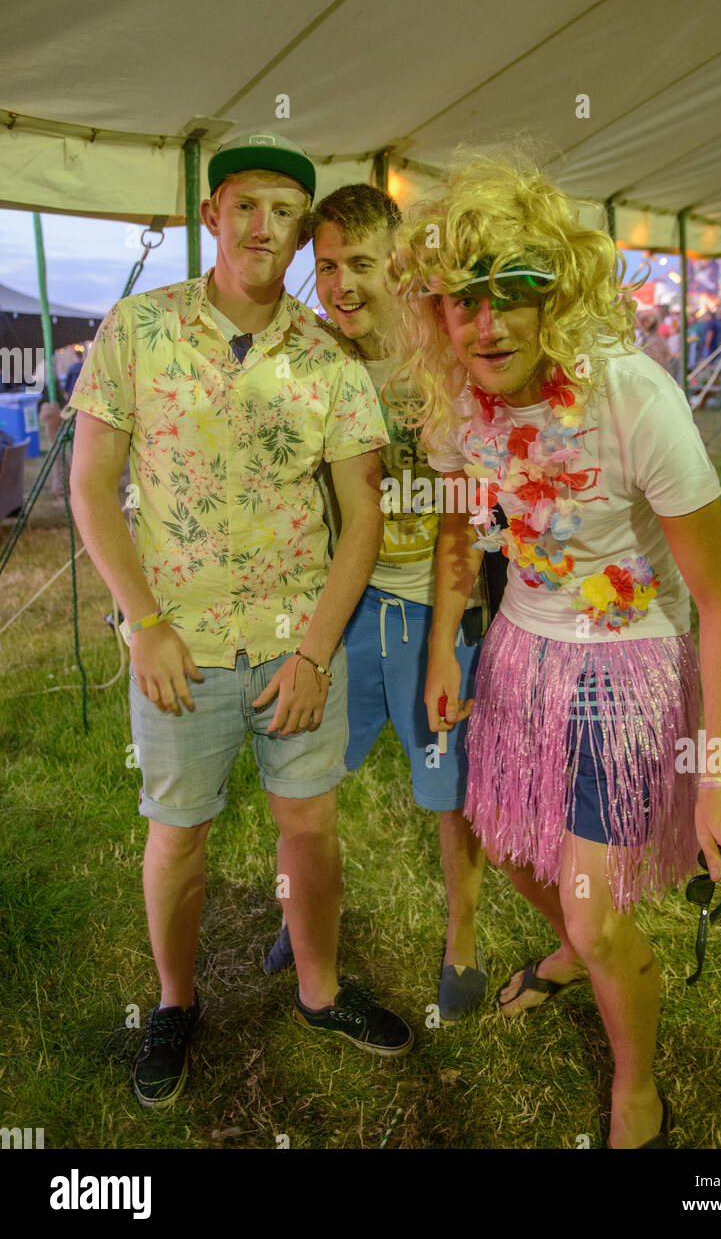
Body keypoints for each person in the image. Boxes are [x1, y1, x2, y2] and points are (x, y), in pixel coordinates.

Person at [387, 153, 721, 1149]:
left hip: (628, 661)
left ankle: (636, 1086)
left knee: (599, 914)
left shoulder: (633, 398)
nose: (489, 322)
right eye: (463, 300)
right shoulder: (456, 405)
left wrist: (720, 776)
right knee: (515, 849)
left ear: (558, 291)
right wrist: (442, 646)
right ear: (435, 315)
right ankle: (571, 950)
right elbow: (458, 528)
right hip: (518, 653)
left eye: (516, 290)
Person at [69, 130, 413, 1109]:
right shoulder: (137, 329)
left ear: (300, 231)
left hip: (295, 655)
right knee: (176, 833)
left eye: (285, 212)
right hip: (181, 652)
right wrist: (144, 622)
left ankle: (319, 989)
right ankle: (175, 1004)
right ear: (210, 213)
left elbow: (362, 519)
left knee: (310, 831)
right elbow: (93, 487)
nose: (266, 226)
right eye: (247, 204)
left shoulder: (327, 356)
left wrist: (314, 652)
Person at [272, 182, 488, 1021]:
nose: (341, 285)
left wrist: (443, 641)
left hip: (436, 613)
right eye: (326, 267)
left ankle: (462, 940)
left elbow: (460, 520)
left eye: (359, 263)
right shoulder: (313, 359)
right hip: (343, 612)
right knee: (304, 780)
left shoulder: (443, 358)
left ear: (396, 266)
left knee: (447, 790)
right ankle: (302, 917)